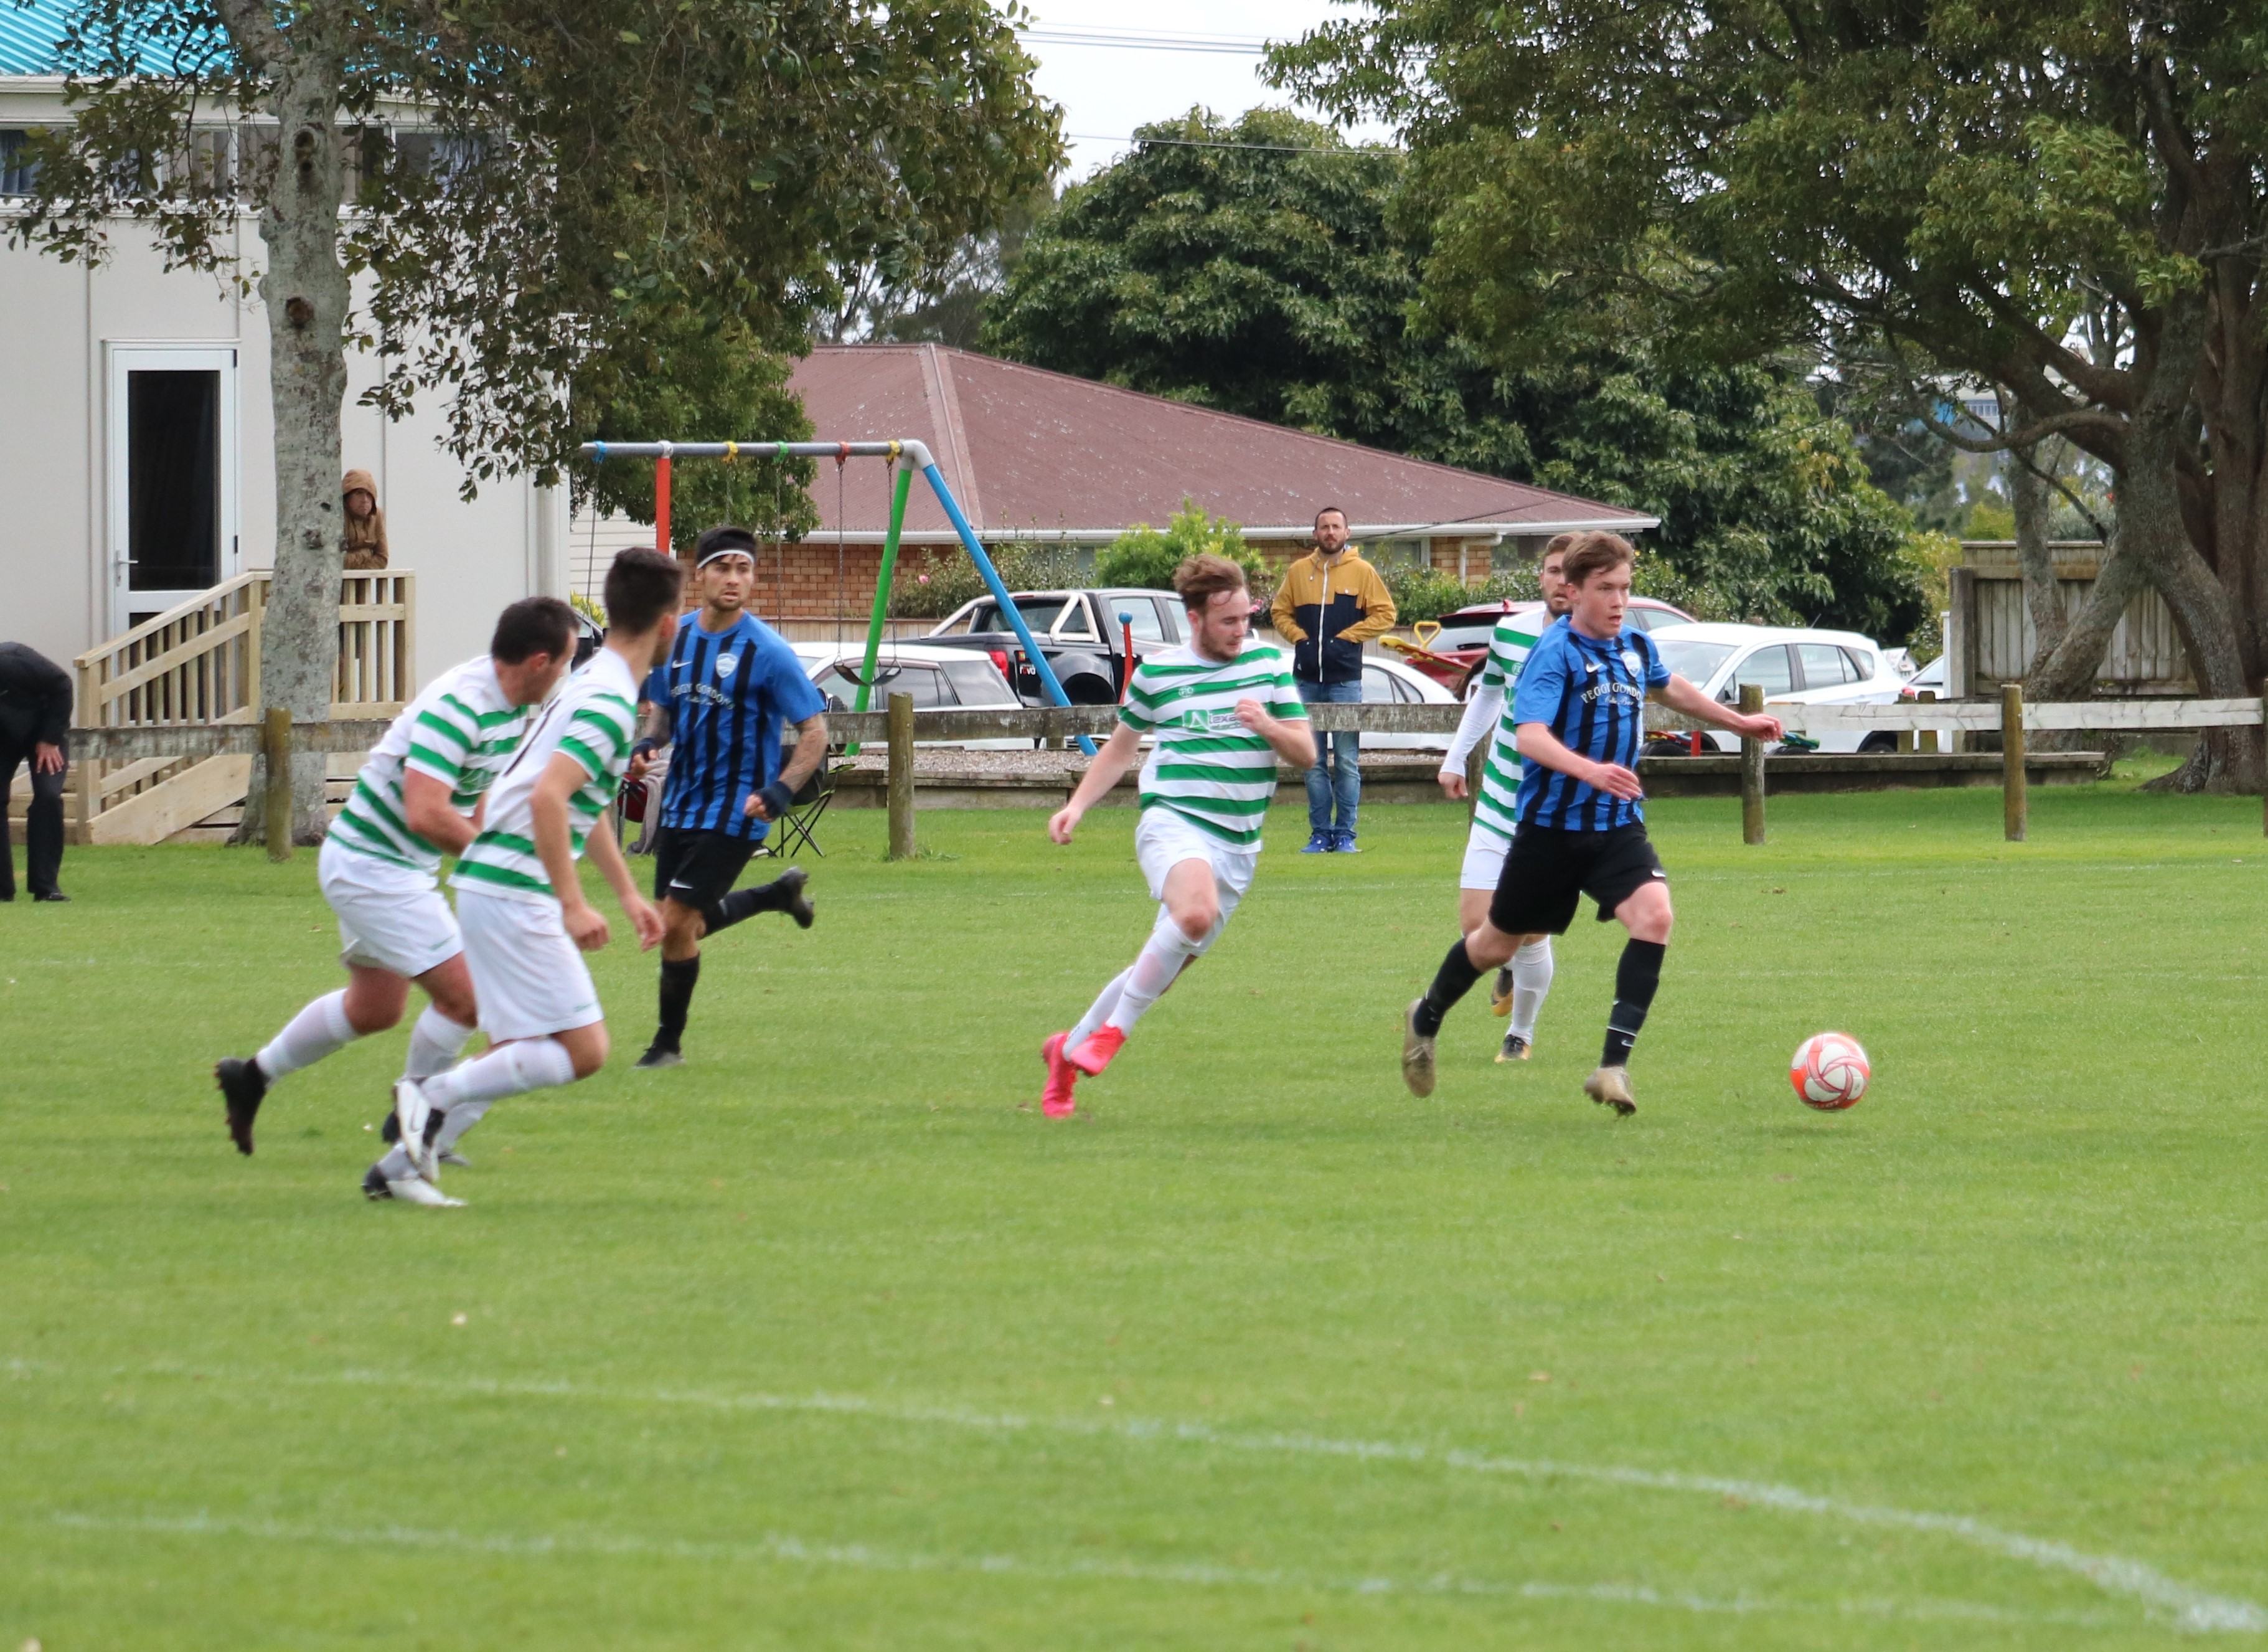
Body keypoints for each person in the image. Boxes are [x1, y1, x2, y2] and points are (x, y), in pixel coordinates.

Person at [1399, 533, 1784, 1113]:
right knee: (1494, 943)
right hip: (1550, 829)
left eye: (1624, 588)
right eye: (1605, 589)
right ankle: (1425, 1015)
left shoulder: (1632, 642)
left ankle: (1611, 1069)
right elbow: (1530, 736)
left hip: (1615, 825)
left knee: (1655, 916)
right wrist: (1592, 771)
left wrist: (1737, 721)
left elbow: (1668, 685)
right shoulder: (1552, 654)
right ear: (1572, 591)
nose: (1617, 600)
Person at [212, 598, 576, 1170]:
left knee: (375, 1007)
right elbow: (426, 813)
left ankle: (252, 1075)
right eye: (566, 662)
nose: (567, 674)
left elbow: (471, 786)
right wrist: (493, 863)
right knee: (467, 998)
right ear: (538, 660)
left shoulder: (512, 707)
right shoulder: (459, 705)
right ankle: (415, 1116)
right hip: (372, 868)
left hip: (393, 868)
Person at [383, 548, 680, 1205]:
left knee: (519, 1043)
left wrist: (628, 892)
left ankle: (401, 1166)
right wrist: (574, 904)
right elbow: (550, 798)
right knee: (584, 1049)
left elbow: (583, 799)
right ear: (668, 625)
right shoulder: (607, 702)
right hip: (515, 885)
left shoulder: (593, 680)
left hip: (495, 879)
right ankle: (424, 1095)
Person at [1041, 554, 1314, 1117]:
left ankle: (1065, 1053)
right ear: (1195, 618)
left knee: (1159, 968)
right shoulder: (1158, 674)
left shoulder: (1267, 664)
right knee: (1191, 917)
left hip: (1239, 846)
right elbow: (1120, 749)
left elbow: (1307, 754)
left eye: (1246, 617)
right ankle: (1112, 1035)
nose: (1242, 630)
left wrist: (1265, 724)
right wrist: (1077, 806)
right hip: (1174, 820)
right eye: (1228, 621)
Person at [626, 525, 828, 1069]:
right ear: (701, 575)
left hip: (736, 810)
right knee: (682, 926)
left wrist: (781, 790)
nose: (734, 578)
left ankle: (667, 1045)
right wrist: (648, 742)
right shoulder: (678, 638)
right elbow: (664, 710)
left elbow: (815, 733)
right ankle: (775, 896)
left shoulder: (768, 652)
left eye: (744, 569)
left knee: (672, 922)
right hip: (680, 804)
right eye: (723, 567)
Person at [1436, 536, 1574, 1062]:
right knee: (1476, 926)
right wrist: (1455, 757)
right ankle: (1510, 969)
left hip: (1551, 810)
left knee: (1532, 929)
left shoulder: (1598, 643)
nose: (1561, 580)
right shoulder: (1511, 633)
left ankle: (1520, 1035)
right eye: (1552, 570)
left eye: (1570, 572)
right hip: (1497, 799)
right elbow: (1489, 693)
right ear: (1540, 577)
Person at [1269, 506, 1396, 853]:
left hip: (1345, 682)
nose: (1329, 532)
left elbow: (1386, 613)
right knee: (1311, 761)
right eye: (1324, 527)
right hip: (1306, 681)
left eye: (1335, 527)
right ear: (1315, 534)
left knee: (1346, 761)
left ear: (1347, 532)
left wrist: (1346, 638)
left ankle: (1345, 834)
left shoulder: (1363, 572)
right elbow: (1279, 611)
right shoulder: (1298, 572)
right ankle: (1319, 833)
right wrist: (1300, 639)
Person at [0, 640, 73, 903]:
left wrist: (50, 738)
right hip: (4, 737)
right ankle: (3, 890)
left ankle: (46, 888)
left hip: (44, 731)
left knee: (48, 796)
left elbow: (63, 685)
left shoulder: (16, 661)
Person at [342, 470, 388, 570]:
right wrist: (367, 553)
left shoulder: (377, 516)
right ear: (347, 497)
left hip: (363, 582)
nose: (365, 500)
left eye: (369, 494)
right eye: (359, 493)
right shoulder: (337, 516)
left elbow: (383, 558)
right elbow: (336, 562)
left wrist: (361, 572)